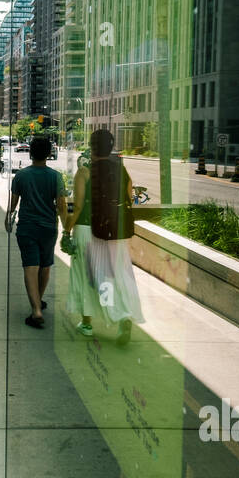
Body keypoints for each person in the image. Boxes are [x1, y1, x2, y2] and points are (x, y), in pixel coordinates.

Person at [63, 128, 145, 345]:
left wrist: (65, 230)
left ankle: (87, 324)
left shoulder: (85, 172)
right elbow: (128, 198)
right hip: (113, 233)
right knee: (116, 275)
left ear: (91, 147)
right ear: (110, 147)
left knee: (85, 276)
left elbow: (77, 206)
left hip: (86, 230)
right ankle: (123, 316)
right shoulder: (121, 170)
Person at [6, 136, 67, 329]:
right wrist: (67, 229)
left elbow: (13, 204)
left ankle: (36, 310)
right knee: (45, 265)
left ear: (30, 153)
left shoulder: (21, 176)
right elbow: (62, 205)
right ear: (49, 154)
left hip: (27, 227)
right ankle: (38, 301)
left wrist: (7, 219)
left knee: (30, 267)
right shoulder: (56, 176)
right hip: (49, 227)